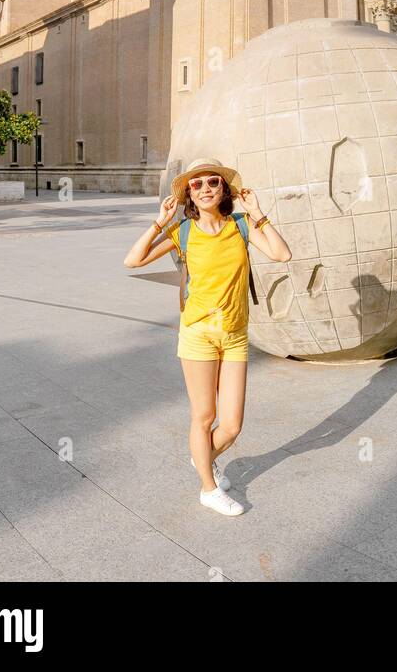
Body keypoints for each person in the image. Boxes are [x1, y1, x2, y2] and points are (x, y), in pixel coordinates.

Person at [123, 158, 292, 517]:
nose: (204, 189)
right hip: (198, 335)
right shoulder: (182, 231)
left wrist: (258, 212)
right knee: (204, 416)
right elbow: (133, 261)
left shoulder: (242, 225)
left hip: (234, 336)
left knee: (230, 426)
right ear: (188, 194)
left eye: (212, 182)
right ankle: (208, 488)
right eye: (196, 185)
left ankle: (202, 457)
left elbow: (282, 254)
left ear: (224, 189)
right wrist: (159, 222)